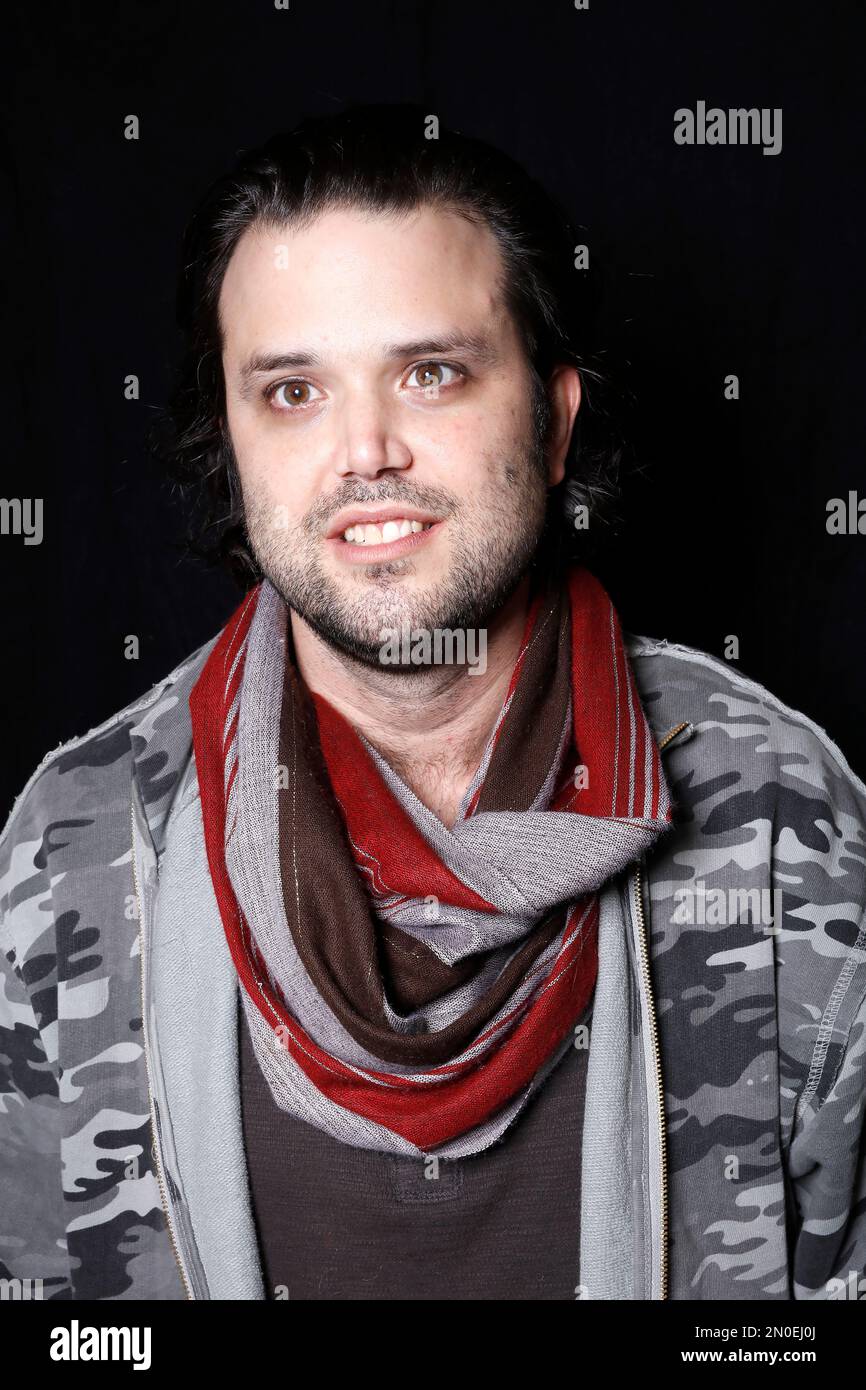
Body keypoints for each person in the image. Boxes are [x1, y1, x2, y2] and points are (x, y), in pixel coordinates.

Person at [1, 104, 864, 1302]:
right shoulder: (73, 844)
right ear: (233, 441)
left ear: (552, 422)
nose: (365, 450)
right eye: (292, 393)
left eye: (430, 373)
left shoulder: (779, 815)